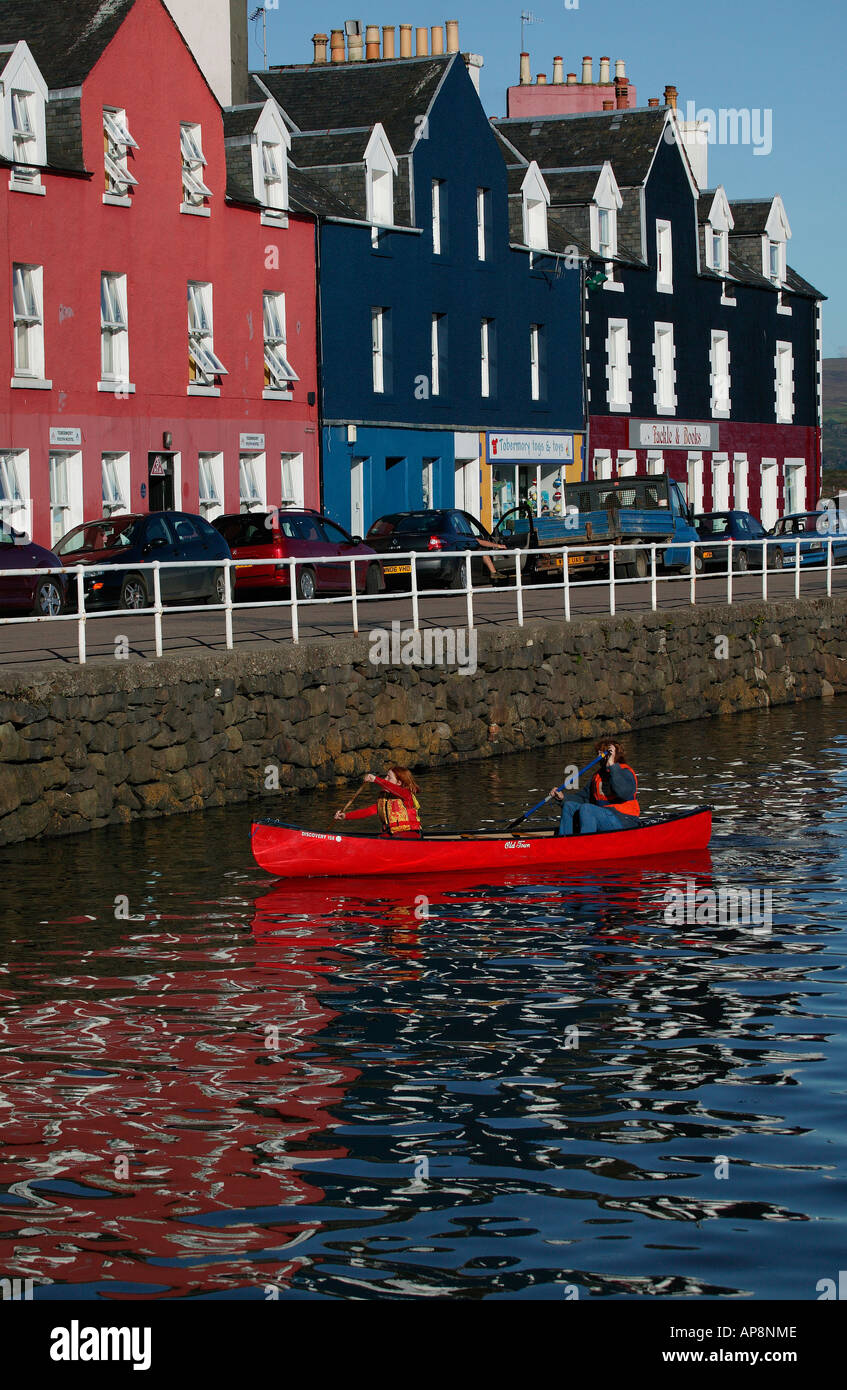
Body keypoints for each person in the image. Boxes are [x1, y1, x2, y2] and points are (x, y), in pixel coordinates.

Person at [550, 740, 641, 836]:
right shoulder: (597, 776)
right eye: (598, 754)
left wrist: (612, 766)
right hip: (604, 816)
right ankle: (564, 842)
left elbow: (623, 793)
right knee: (569, 806)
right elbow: (584, 798)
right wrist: (563, 798)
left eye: (601, 754)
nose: (598, 757)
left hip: (625, 819)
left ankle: (585, 844)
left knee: (587, 809)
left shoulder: (625, 772)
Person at [335, 767, 423, 839]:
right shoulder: (384, 800)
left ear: (399, 783)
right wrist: (346, 816)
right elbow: (368, 811)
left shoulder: (406, 794)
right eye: (386, 776)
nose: (385, 779)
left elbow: (392, 788)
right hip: (391, 834)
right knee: (380, 838)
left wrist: (375, 779)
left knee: (392, 839)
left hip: (409, 833)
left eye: (389, 777)